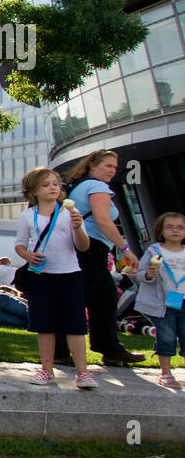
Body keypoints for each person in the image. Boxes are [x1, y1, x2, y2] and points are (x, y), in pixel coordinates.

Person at [62, 150, 144, 366]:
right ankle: (60, 350)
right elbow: (103, 220)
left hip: (84, 247)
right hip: (92, 249)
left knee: (105, 296)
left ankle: (110, 347)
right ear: (92, 165)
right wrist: (125, 248)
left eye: (115, 167)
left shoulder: (79, 186)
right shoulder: (97, 187)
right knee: (80, 298)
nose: (112, 171)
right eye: (108, 166)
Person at [15, 167, 95, 388]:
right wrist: (27, 255)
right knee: (45, 325)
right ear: (33, 191)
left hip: (69, 274)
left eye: (55, 184)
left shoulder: (70, 213)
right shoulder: (27, 216)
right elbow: (20, 244)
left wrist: (78, 228)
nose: (52, 188)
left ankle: (83, 372)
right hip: (40, 276)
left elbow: (83, 246)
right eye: (45, 184)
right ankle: (46, 370)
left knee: (75, 324)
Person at [136, 212, 185, 389]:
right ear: (161, 230)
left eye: (180, 227)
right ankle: (166, 373)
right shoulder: (154, 251)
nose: (175, 230)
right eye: (170, 227)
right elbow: (140, 273)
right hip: (162, 303)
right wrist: (149, 274)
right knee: (167, 337)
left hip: (183, 300)